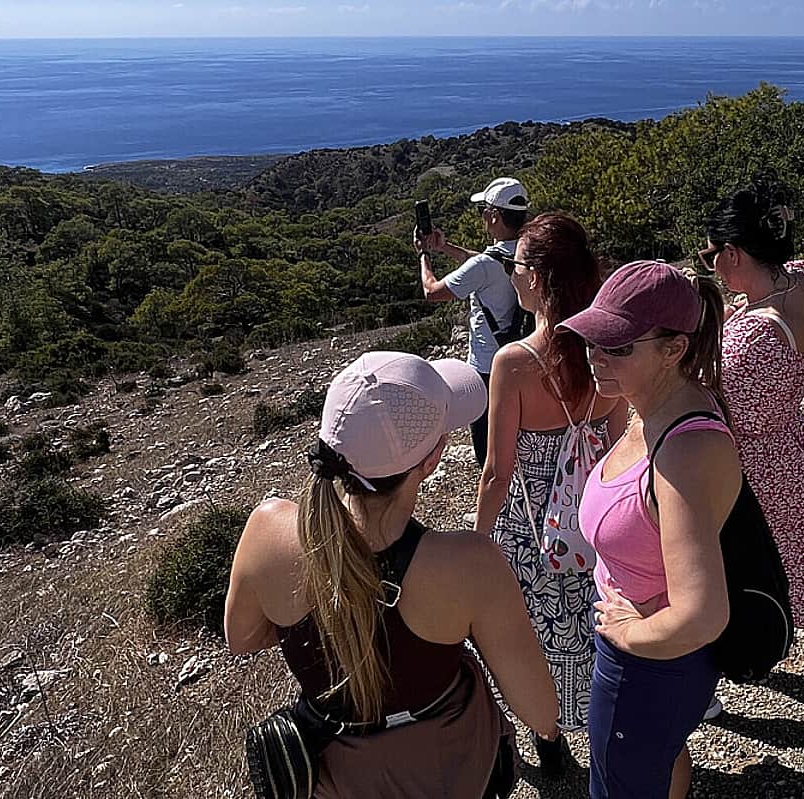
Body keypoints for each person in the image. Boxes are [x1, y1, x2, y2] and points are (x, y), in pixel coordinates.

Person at [224, 351, 560, 798]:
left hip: (334, 775)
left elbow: (241, 638)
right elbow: (539, 711)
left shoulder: (266, 530)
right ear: (432, 459)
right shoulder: (469, 564)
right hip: (450, 770)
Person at [561, 261, 740, 799]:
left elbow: (702, 614)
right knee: (659, 759)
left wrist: (627, 635)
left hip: (648, 662)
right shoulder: (653, 407)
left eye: (618, 348)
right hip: (654, 659)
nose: (596, 358)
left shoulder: (684, 450)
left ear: (673, 349)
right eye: (594, 340)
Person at [473, 213, 628, 770]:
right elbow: (618, 443)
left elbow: (496, 469)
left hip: (533, 526)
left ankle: (548, 735)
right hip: (595, 514)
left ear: (536, 278)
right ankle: (610, 727)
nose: (511, 274)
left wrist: (478, 540)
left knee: (532, 634)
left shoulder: (513, 362)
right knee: (599, 620)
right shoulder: (607, 348)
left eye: (515, 264)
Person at [698, 172, 804, 634]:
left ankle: (747, 650)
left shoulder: (753, 334)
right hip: (793, 446)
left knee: (747, 566)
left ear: (734, 254)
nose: (711, 267)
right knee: (790, 559)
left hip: (755, 468)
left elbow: (717, 406)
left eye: (711, 255)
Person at [415, 177, 529, 468]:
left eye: (484, 211)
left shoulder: (485, 266)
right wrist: (446, 247)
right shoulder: (528, 252)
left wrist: (424, 255)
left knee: (487, 448)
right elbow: (484, 262)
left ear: (493, 216)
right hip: (526, 357)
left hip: (488, 367)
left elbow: (433, 291)